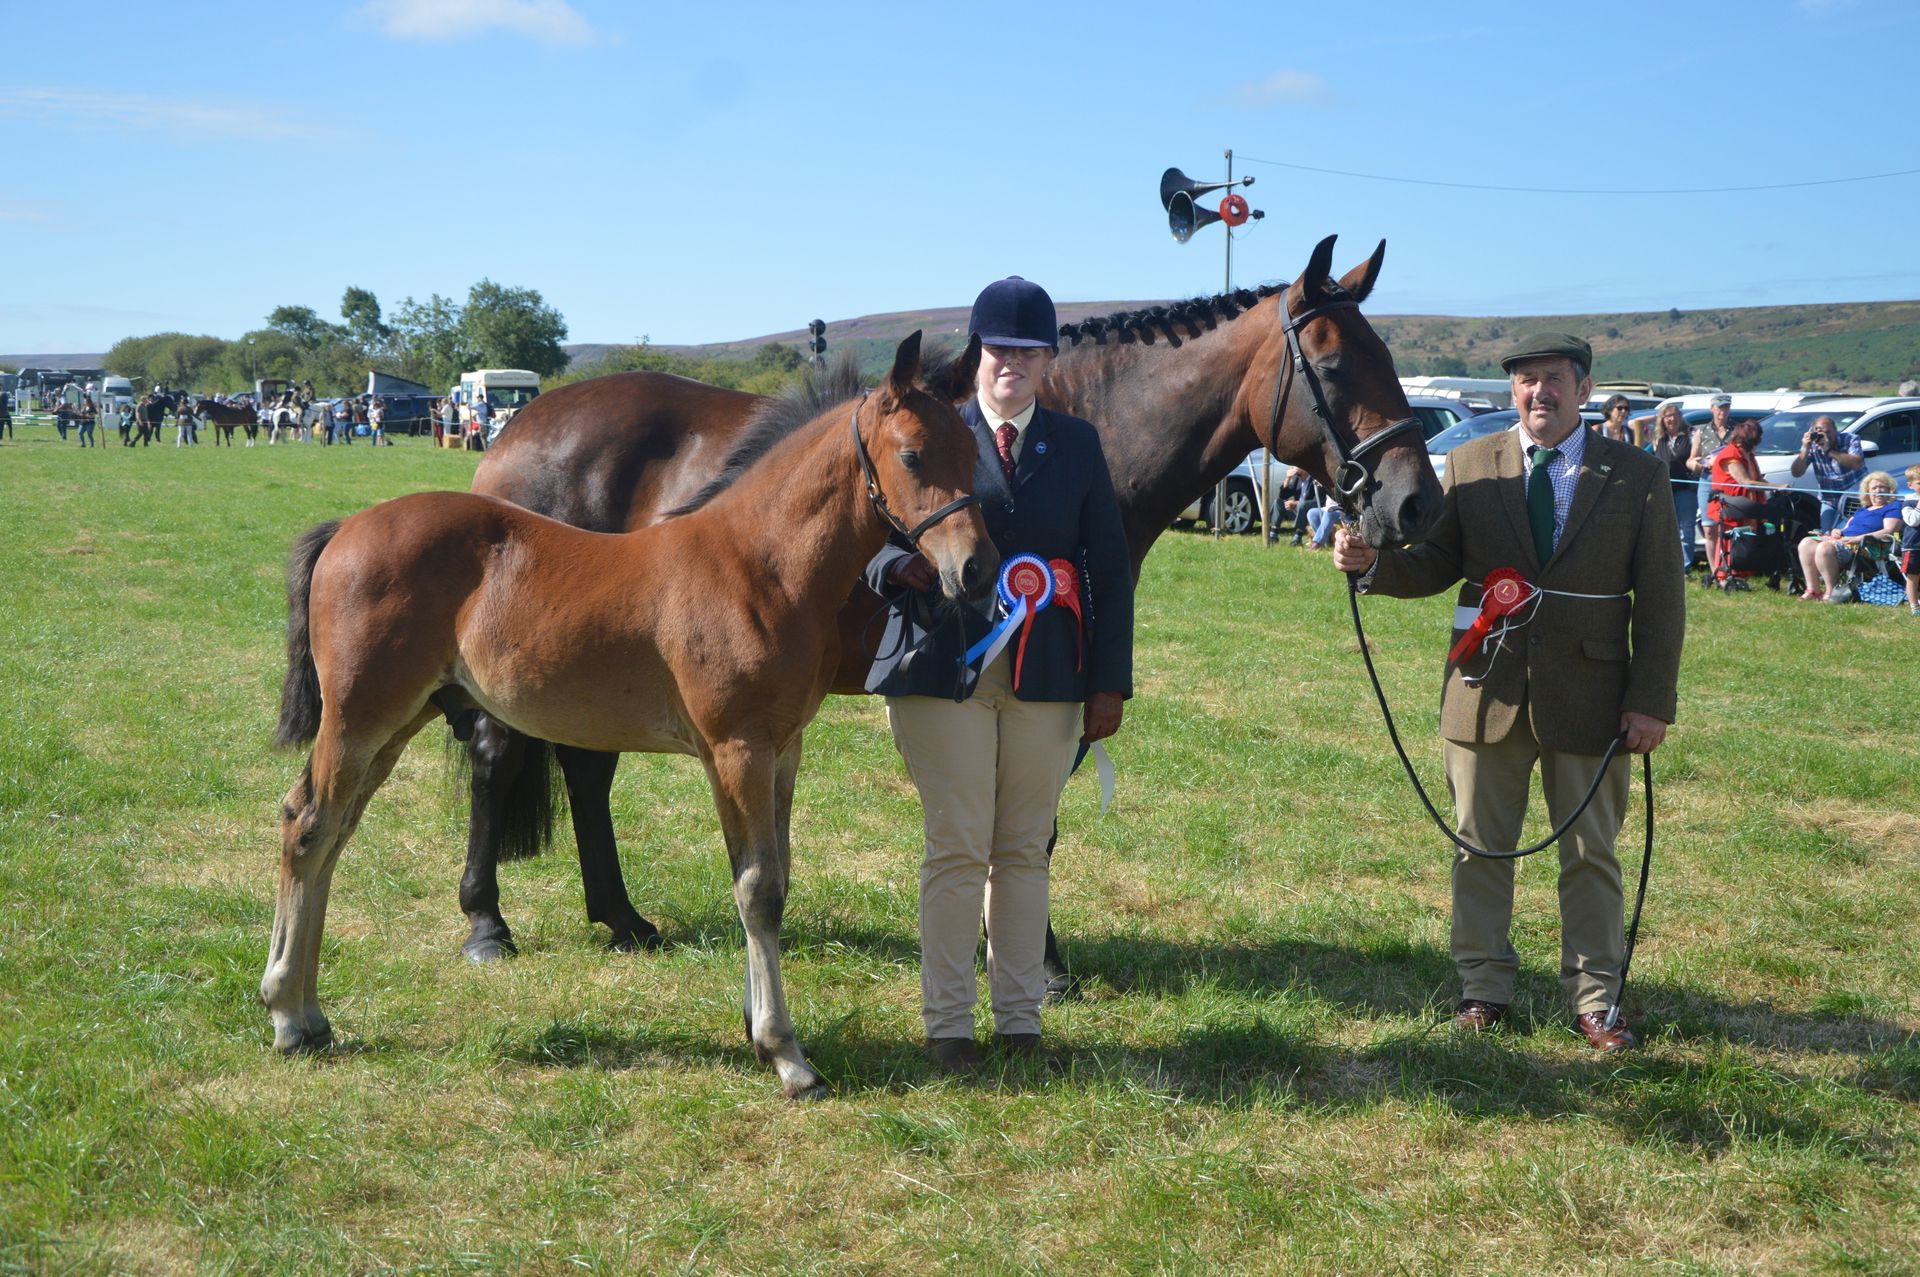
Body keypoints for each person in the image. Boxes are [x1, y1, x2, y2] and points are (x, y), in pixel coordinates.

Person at [1331, 332, 1684, 1052]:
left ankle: (1594, 999)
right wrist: (1370, 564)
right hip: (1484, 686)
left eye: (1553, 379)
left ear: (1584, 390)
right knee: (1478, 847)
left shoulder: (1637, 474)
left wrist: (1650, 698)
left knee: (1591, 852)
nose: (1538, 393)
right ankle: (1482, 988)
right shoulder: (1470, 464)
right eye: (1525, 381)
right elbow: (1433, 563)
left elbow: (1662, 599)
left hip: (1592, 693)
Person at [865, 276, 1132, 1072]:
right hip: (940, 664)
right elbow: (867, 534)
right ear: (978, 354)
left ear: (1047, 360)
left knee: (1023, 848)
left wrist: (1108, 680)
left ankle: (1021, 1023)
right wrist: (895, 568)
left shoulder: (1078, 446)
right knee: (955, 847)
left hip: (1048, 672)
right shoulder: (931, 430)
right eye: (998, 348)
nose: (1011, 362)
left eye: (1028, 349)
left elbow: (1109, 567)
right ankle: (947, 1026)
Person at [1795, 471, 1901, 603]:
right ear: (1868, 491)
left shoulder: (1892, 507)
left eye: (1882, 487)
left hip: (1865, 546)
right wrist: (1836, 532)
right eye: (1874, 488)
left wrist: (1858, 539)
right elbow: (1846, 529)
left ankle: (1833, 592)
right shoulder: (1863, 509)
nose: (1878, 491)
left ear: (1889, 490)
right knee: (1806, 543)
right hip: (1844, 541)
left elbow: (1889, 530)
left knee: (1824, 548)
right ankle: (1813, 590)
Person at [1788, 413, 1865, 534]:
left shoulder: (1850, 439)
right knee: (1826, 534)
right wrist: (1805, 449)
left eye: (1828, 432)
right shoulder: (1813, 445)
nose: (1824, 436)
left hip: (1854, 498)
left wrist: (1829, 450)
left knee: (1849, 533)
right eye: (1819, 432)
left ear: (1836, 430)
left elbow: (1856, 463)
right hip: (1830, 499)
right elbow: (1796, 473)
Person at [1687, 395, 1734, 581]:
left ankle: (1729, 567)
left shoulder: (1736, 430)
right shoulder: (1702, 431)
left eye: (1726, 408)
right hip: (1707, 480)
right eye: (1719, 408)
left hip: (1729, 481)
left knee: (1729, 526)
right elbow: (1691, 459)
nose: (1723, 412)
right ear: (1712, 409)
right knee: (1709, 528)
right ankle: (1715, 570)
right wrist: (1700, 465)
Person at [1650, 403, 1696, 571]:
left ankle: (1684, 567)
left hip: (1685, 490)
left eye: (1675, 415)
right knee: (1665, 528)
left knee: (1686, 530)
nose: (1672, 419)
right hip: (1664, 490)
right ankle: (1665, 564)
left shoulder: (1690, 435)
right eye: (1668, 415)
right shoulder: (1658, 439)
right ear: (1662, 419)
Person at [1900, 464, 1920, 616]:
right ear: (1910, 485)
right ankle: (1914, 606)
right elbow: (1912, 521)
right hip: (1913, 546)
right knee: (1913, 577)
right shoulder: (1908, 503)